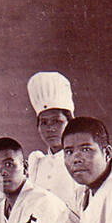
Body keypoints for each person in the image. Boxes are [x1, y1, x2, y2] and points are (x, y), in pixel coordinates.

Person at [25, 72, 82, 215]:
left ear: (69, 122)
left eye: (57, 121)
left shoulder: (80, 161)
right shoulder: (36, 164)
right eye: (44, 123)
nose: (50, 128)